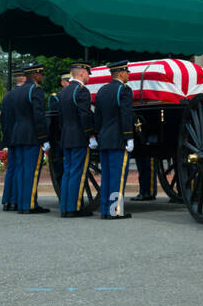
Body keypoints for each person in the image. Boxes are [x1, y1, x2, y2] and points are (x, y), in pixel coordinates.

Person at [7, 64, 50, 213]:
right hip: (31, 135)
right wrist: (44, 137)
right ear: (35, 75)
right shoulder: (36, 90)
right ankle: (29, 204)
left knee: (20, 169)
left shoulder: (18, 91)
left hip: (18, 133)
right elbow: (38, 115)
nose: (42, 77)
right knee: (31, 171)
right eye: (41, 74)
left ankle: (20, 202)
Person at [95, 59, 135, 219]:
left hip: (104, 139)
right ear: (120, 73)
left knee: (107, 176)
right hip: (118, 139)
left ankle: (105, 210)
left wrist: (98, 135)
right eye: (126, 72)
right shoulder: (124, 90)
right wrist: (129, 137)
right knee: (117, 177)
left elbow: (97, 116)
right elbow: (126, 115)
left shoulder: (102, 90)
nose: (128, 75)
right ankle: (115, 210)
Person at [58, 62, 97, 218]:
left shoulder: (64, 92)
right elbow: (85, 115)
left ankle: (65, 207)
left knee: (68, 172)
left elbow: (60, 119)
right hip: (80, 137)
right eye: (88, 73)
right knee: (77, 173)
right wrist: (91, 135)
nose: (88, 77)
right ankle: (74, 207)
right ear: (82, 74)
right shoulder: (82, 91)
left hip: (66, 137)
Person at [0, 74, 25, 208]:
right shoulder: (22, 94)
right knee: (19, 168)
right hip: (20, 136)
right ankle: (15, 200)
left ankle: (7, 200)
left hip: (9, 135)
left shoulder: (7, 95)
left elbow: (3, 118)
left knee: (11, 169)